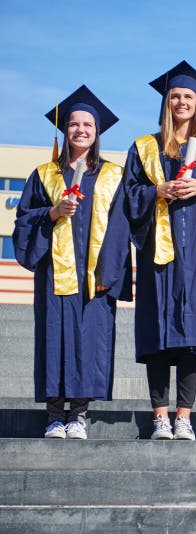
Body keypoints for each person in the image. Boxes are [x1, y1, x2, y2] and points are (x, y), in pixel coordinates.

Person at [124, 61, 196, 440]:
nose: (182, 101)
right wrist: (158, 190)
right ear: (166, 103)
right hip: (158, 256)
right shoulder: (144, 147)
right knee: (157, 335)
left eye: (188, 96)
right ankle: (159, 416)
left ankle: (184, 416)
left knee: (191, 336)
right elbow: (128, 196)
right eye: (175, 96)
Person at [13, 85, 132, 439]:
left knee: (89, 342)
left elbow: (120, 226)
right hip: (55, 275)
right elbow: (23, 220)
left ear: (96, 134)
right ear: (65, 131)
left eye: (87, 126)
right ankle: (54, 414)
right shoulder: (44, 175)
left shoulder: (113, 175)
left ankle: (78, 414)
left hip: (95, 276)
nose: (80, 130)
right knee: (54, 339)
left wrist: (109, 272)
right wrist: (52, 212)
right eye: (74, 125)